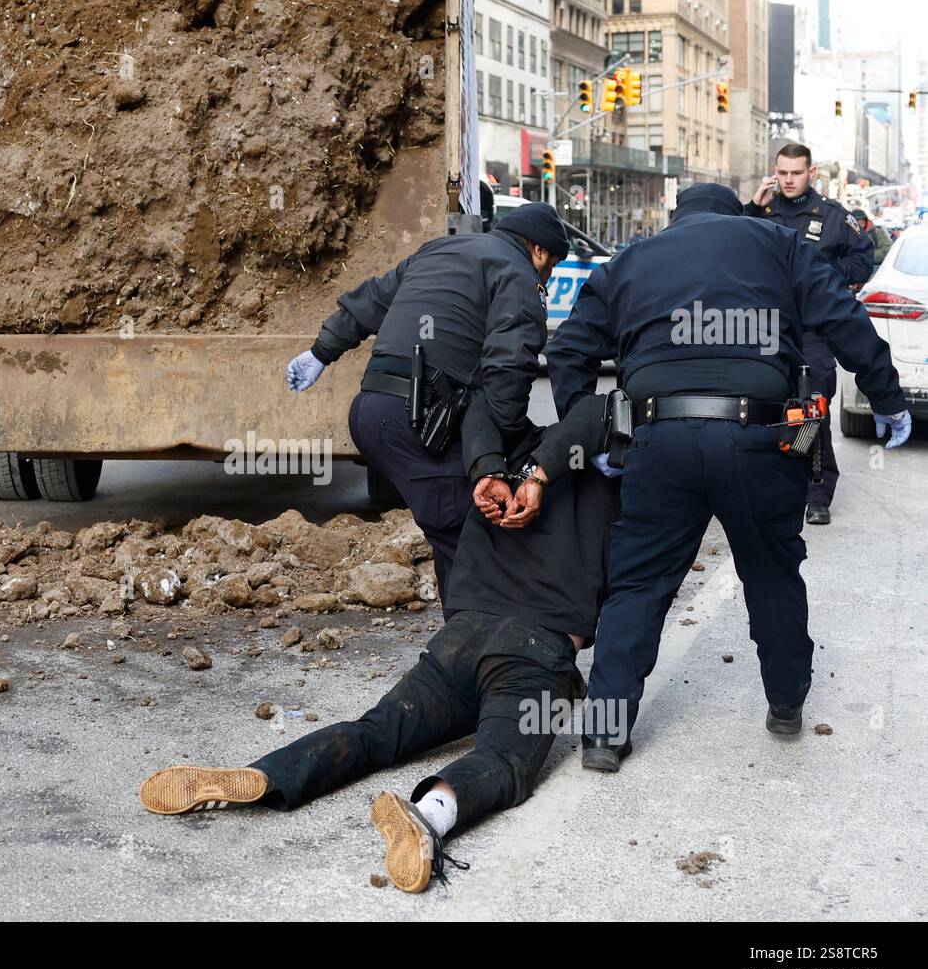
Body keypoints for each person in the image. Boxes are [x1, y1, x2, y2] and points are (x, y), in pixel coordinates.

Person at [139, 391, 619, 893]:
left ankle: (264, 775)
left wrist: (497, 470)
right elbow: (600, 411)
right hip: (533, 652)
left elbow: (483, 409)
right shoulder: (606, 471)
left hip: (459, 639)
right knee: (503, 761)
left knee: (376, 732)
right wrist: (545, 477)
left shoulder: (495, 463)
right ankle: (431, 816)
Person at [547, 182, 911, 772]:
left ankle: (604, 736)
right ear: (736, 214)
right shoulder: (779, 242)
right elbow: (843, 317)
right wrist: (887, 396)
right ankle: (787, 703)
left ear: (675, 217)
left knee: (637, 584)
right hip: (759, 437)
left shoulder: (632, 259)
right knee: (771, 572)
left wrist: (594, 435)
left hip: (658, 438)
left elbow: (568, 353)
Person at [284, 203, 569, 615]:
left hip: (370, 411)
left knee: (454, 528)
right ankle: (469, 647)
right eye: (551, 267)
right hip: (415, 417)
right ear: (540, 252)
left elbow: (371, 301)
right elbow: (508, 369)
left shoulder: (437, 251)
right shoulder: (518, 274)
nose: (548, 276)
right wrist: (504, 446)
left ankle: (469, 639)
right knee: (469, 531)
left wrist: (320, 352)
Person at [745, 143, 874, 525]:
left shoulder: (832, 217)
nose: (788, 180)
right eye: (782, 172)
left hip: (812, 331)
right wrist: (751, 207)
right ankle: (769, 486)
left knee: (813, 408)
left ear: (810, 172)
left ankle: (817, 492)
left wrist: (823, 282)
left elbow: (862, 260)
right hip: (765, 329)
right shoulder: (760, 213)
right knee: (762, 407)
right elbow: (730, 244)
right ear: (774, 171)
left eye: (795, 173)